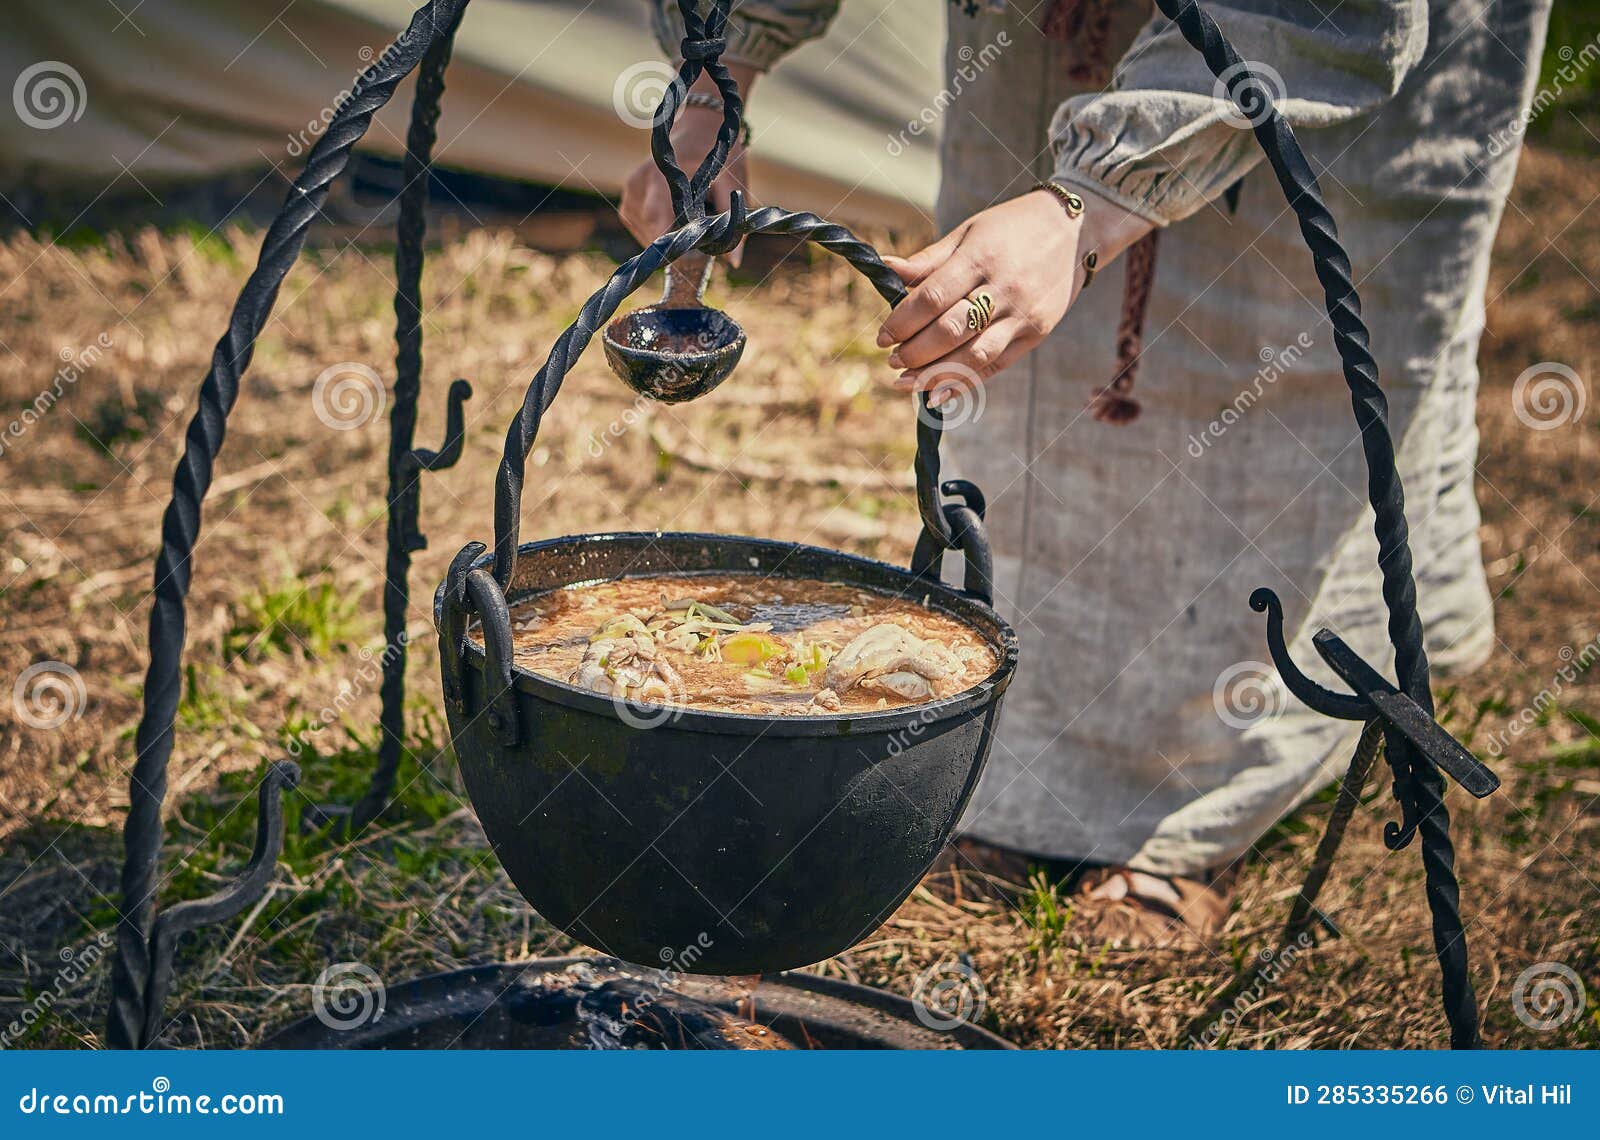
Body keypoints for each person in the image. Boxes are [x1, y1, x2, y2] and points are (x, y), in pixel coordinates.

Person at [621, 0, 1551, 944]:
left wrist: (1091, 204)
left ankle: (1196, 793)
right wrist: (713, 81)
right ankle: (1025, 763)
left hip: (1297, 44)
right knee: (1027, 365)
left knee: (1284, 340)